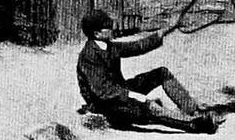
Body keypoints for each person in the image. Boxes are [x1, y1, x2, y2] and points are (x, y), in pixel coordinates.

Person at [76, 9, 223, 133]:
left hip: (120, 93)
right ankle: (194, 124)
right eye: (107, 26)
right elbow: (103, 91)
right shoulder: (89, 56)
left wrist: (164, 31)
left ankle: (192, 111)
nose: (112, 28)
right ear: (96, 33)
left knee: (161, 73)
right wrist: (134, 96)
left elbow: (138, 46)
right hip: (107, 105)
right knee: (150, 107)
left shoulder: (108, 45)